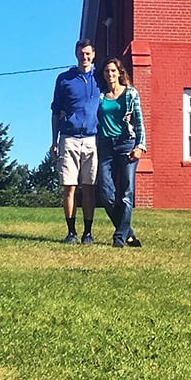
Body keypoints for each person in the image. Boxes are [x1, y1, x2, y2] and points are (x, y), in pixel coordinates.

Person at [51, 39, 100, 244]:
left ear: (93, 55)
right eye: (81, 54)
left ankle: (87, 233)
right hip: (69, 138)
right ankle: (71, 232)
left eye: (88, 54)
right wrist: (54, 141)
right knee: (69, 187)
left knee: (88, 187)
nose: (84, 57)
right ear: (76, 54)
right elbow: (55, 111)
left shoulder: (100, 77)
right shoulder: (64, 79)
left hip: (91, 139)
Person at [97, 57, 146, 248]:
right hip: (105, 145)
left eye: (113, 71)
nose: (110, 74)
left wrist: (140, 146)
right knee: (105, 191)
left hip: (126, 143)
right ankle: (128, 232)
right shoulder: (101, 96)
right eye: (106, 71)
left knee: (126, 191)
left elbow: (139, 121)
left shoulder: (130, 93)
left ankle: (119, 237)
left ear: (119, 73)